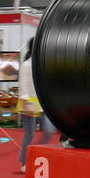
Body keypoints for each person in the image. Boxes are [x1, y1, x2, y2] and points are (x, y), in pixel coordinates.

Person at [17, 42, 56, 171]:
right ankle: (24, 161)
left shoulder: (43, 65)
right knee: (29, 134)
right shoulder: (27, 65)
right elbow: (23, 87)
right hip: (28, 104)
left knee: (49, 131)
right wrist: (26, 104)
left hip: (43, 104)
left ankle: (34, 153)